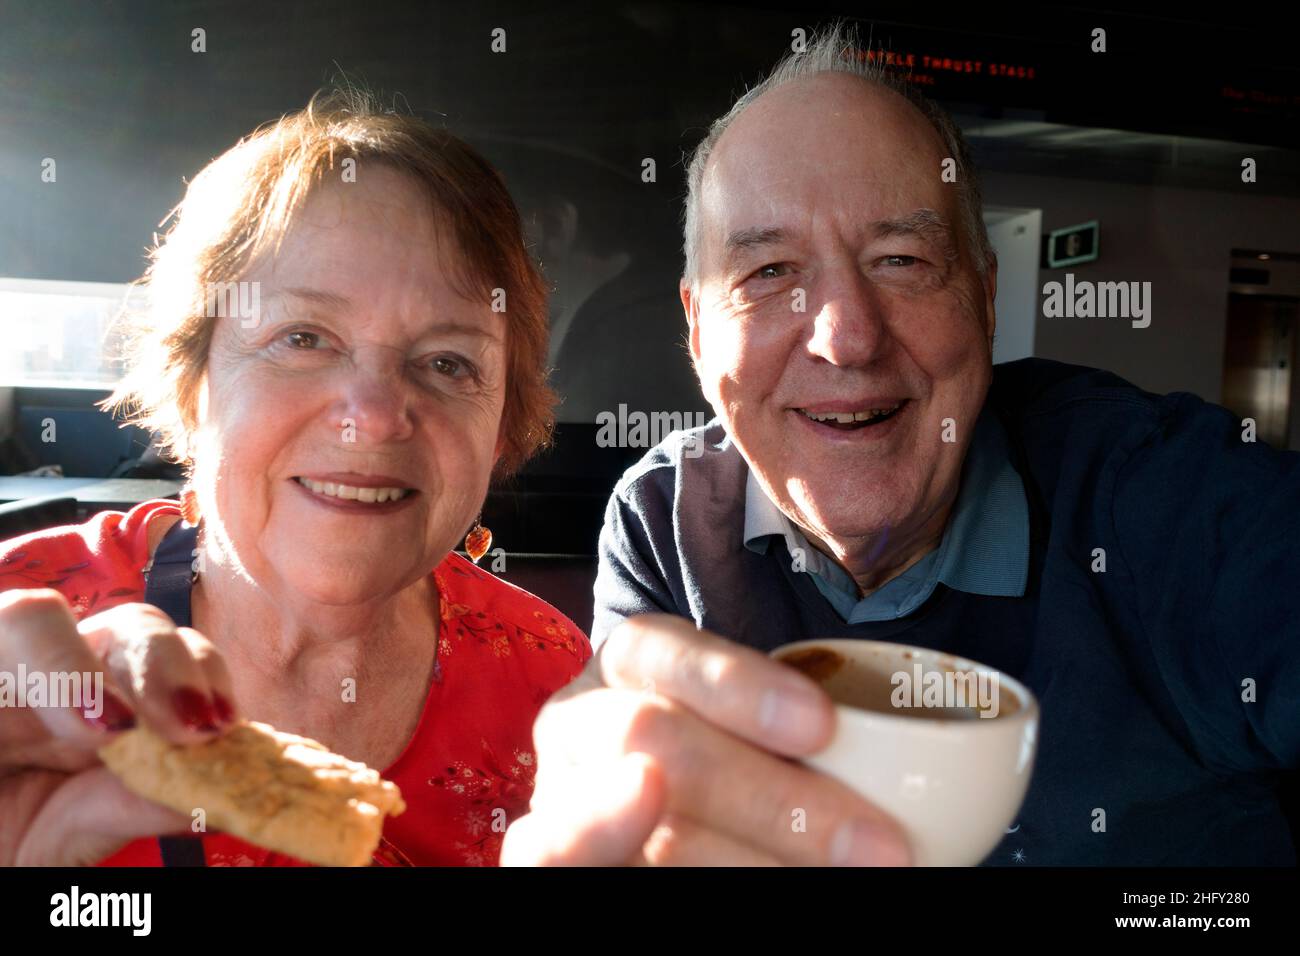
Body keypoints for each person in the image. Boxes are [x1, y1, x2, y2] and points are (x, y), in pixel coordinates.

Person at [502, 24, 1300, 866]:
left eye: (903, 259)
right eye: (769, 272)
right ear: (698, 332)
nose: (847, 338)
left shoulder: (1167, 497)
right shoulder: (663, 519)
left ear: (985, 300)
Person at [0, 91, 590, 867]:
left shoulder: (560, 689)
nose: (375, 416)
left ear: (503, 426)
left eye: (448, 361)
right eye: (303, 337)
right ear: (192, 381)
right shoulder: (31, 628)